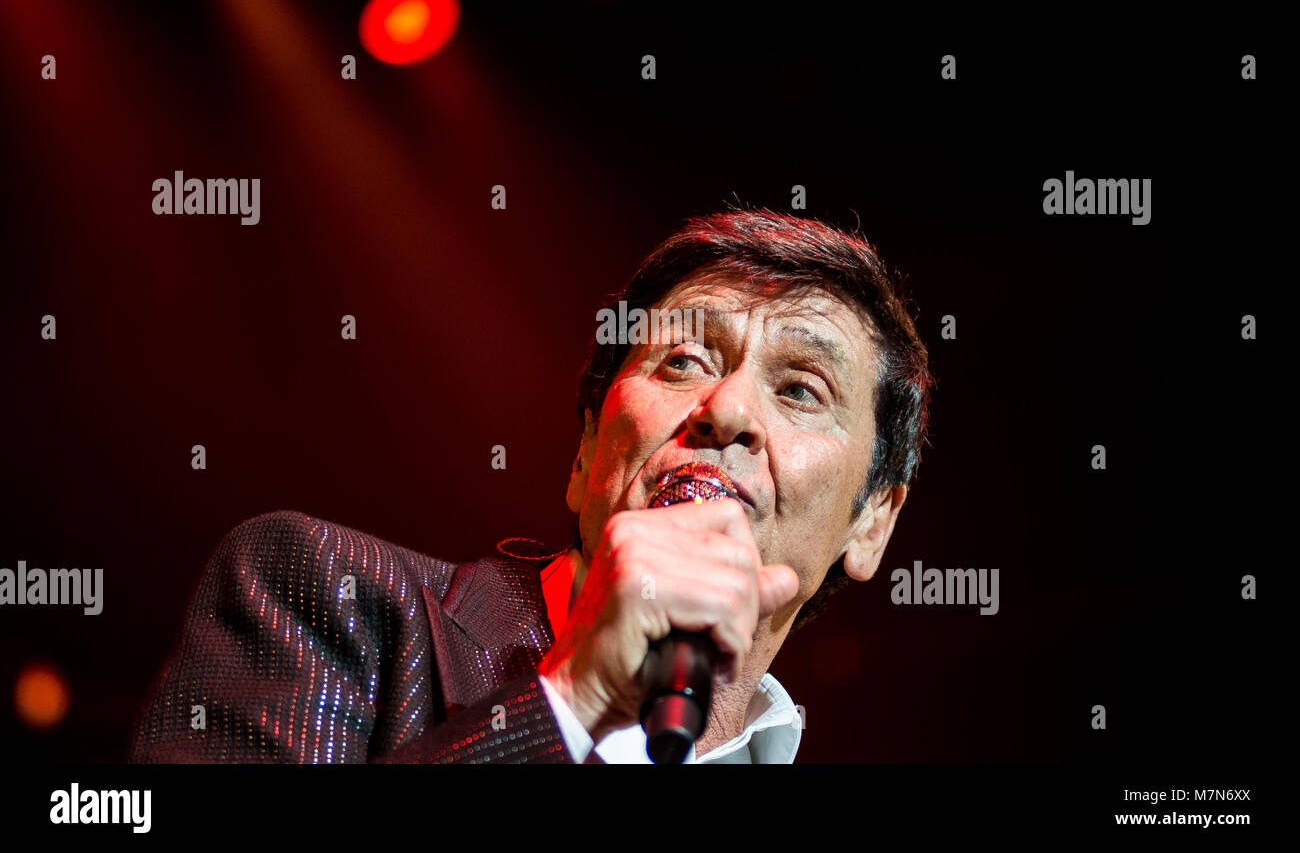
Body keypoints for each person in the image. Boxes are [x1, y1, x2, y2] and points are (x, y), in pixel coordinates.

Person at [127, 207, 932, 763]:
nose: (726, 410)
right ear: (586, 452)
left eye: (800, 390)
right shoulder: (323, 589)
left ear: (872, 524)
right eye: (683, 360)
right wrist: (569, 701)